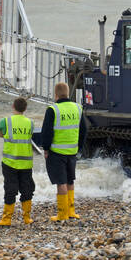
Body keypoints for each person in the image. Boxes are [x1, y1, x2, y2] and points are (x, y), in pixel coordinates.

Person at [36, 82, 88, 222]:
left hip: (57, 152)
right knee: (70, 180)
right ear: (68, 93)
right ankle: (71, 212)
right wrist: (79, 147)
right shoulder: (77, 108)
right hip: (72, 151)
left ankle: (62, 214)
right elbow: (83, 130)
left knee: (61, 182)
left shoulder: (53, 109)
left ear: (56, 94)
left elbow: (46, 132)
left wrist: (45, 149)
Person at [0, 97, 37, 226]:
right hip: (26, 163)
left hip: (9, 162)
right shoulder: (30, 122)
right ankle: (27, 217)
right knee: (27, 189)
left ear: (13, 106)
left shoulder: (5, 121)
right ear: (25, 109)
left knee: (10, 189)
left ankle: (6, 219)